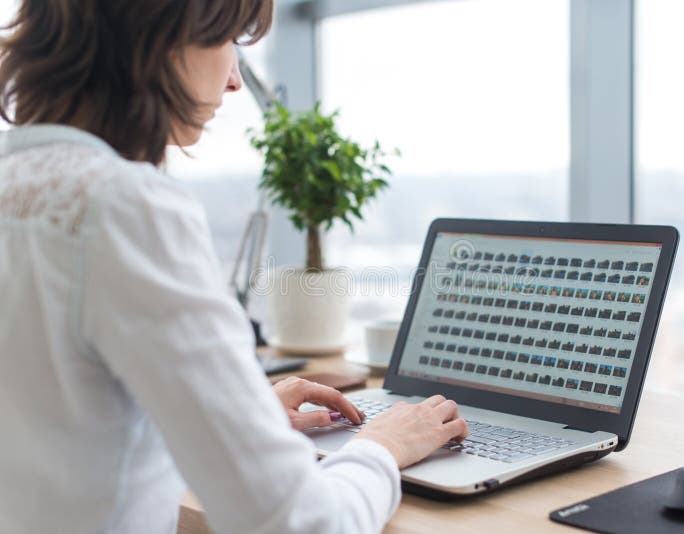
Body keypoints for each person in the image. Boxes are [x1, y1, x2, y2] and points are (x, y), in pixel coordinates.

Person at [0, 1, 468, 533]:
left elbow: (71, 428)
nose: (235, 82)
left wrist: (242, 418)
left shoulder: (16, 184)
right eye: (228, 40)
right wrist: (383, 446)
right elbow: (301, 525)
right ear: (165, 37)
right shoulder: (125, 208)